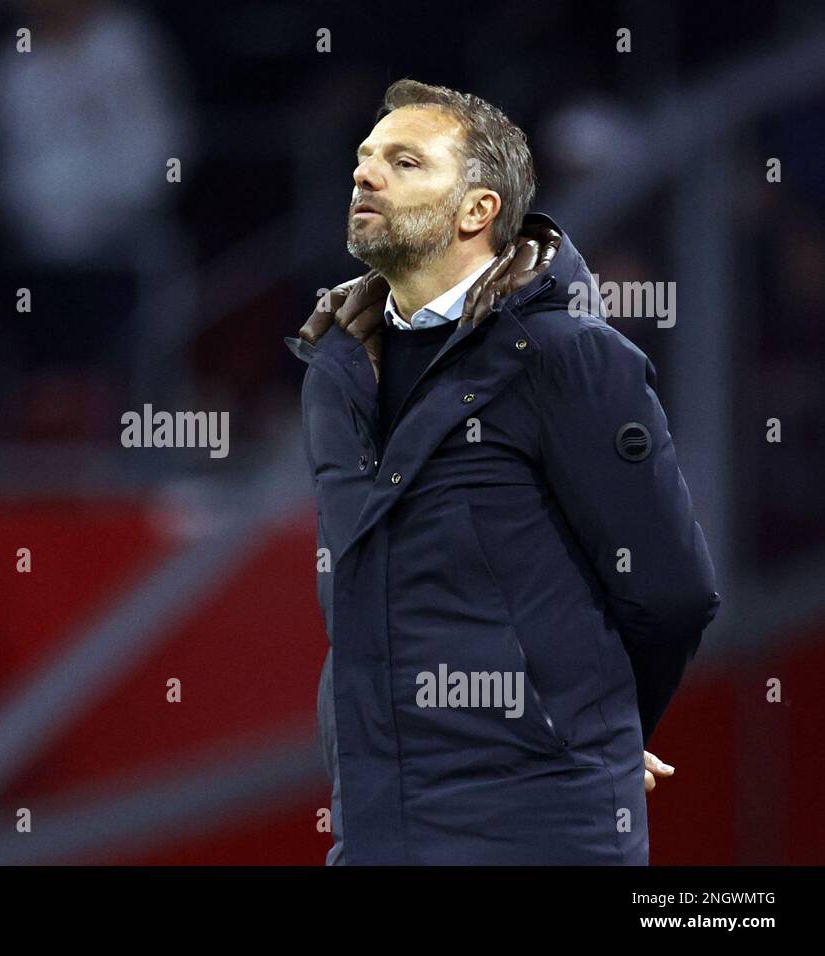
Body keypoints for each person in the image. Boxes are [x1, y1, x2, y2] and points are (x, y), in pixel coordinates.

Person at [285, 79, 719, 864]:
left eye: (405, 160)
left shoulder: (566, 356)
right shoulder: (335, 369)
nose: (366, 174)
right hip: (379, 820)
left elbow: (672, 588)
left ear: (477, 210)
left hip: (539, 825)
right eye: (364, 158)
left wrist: (600, 731)